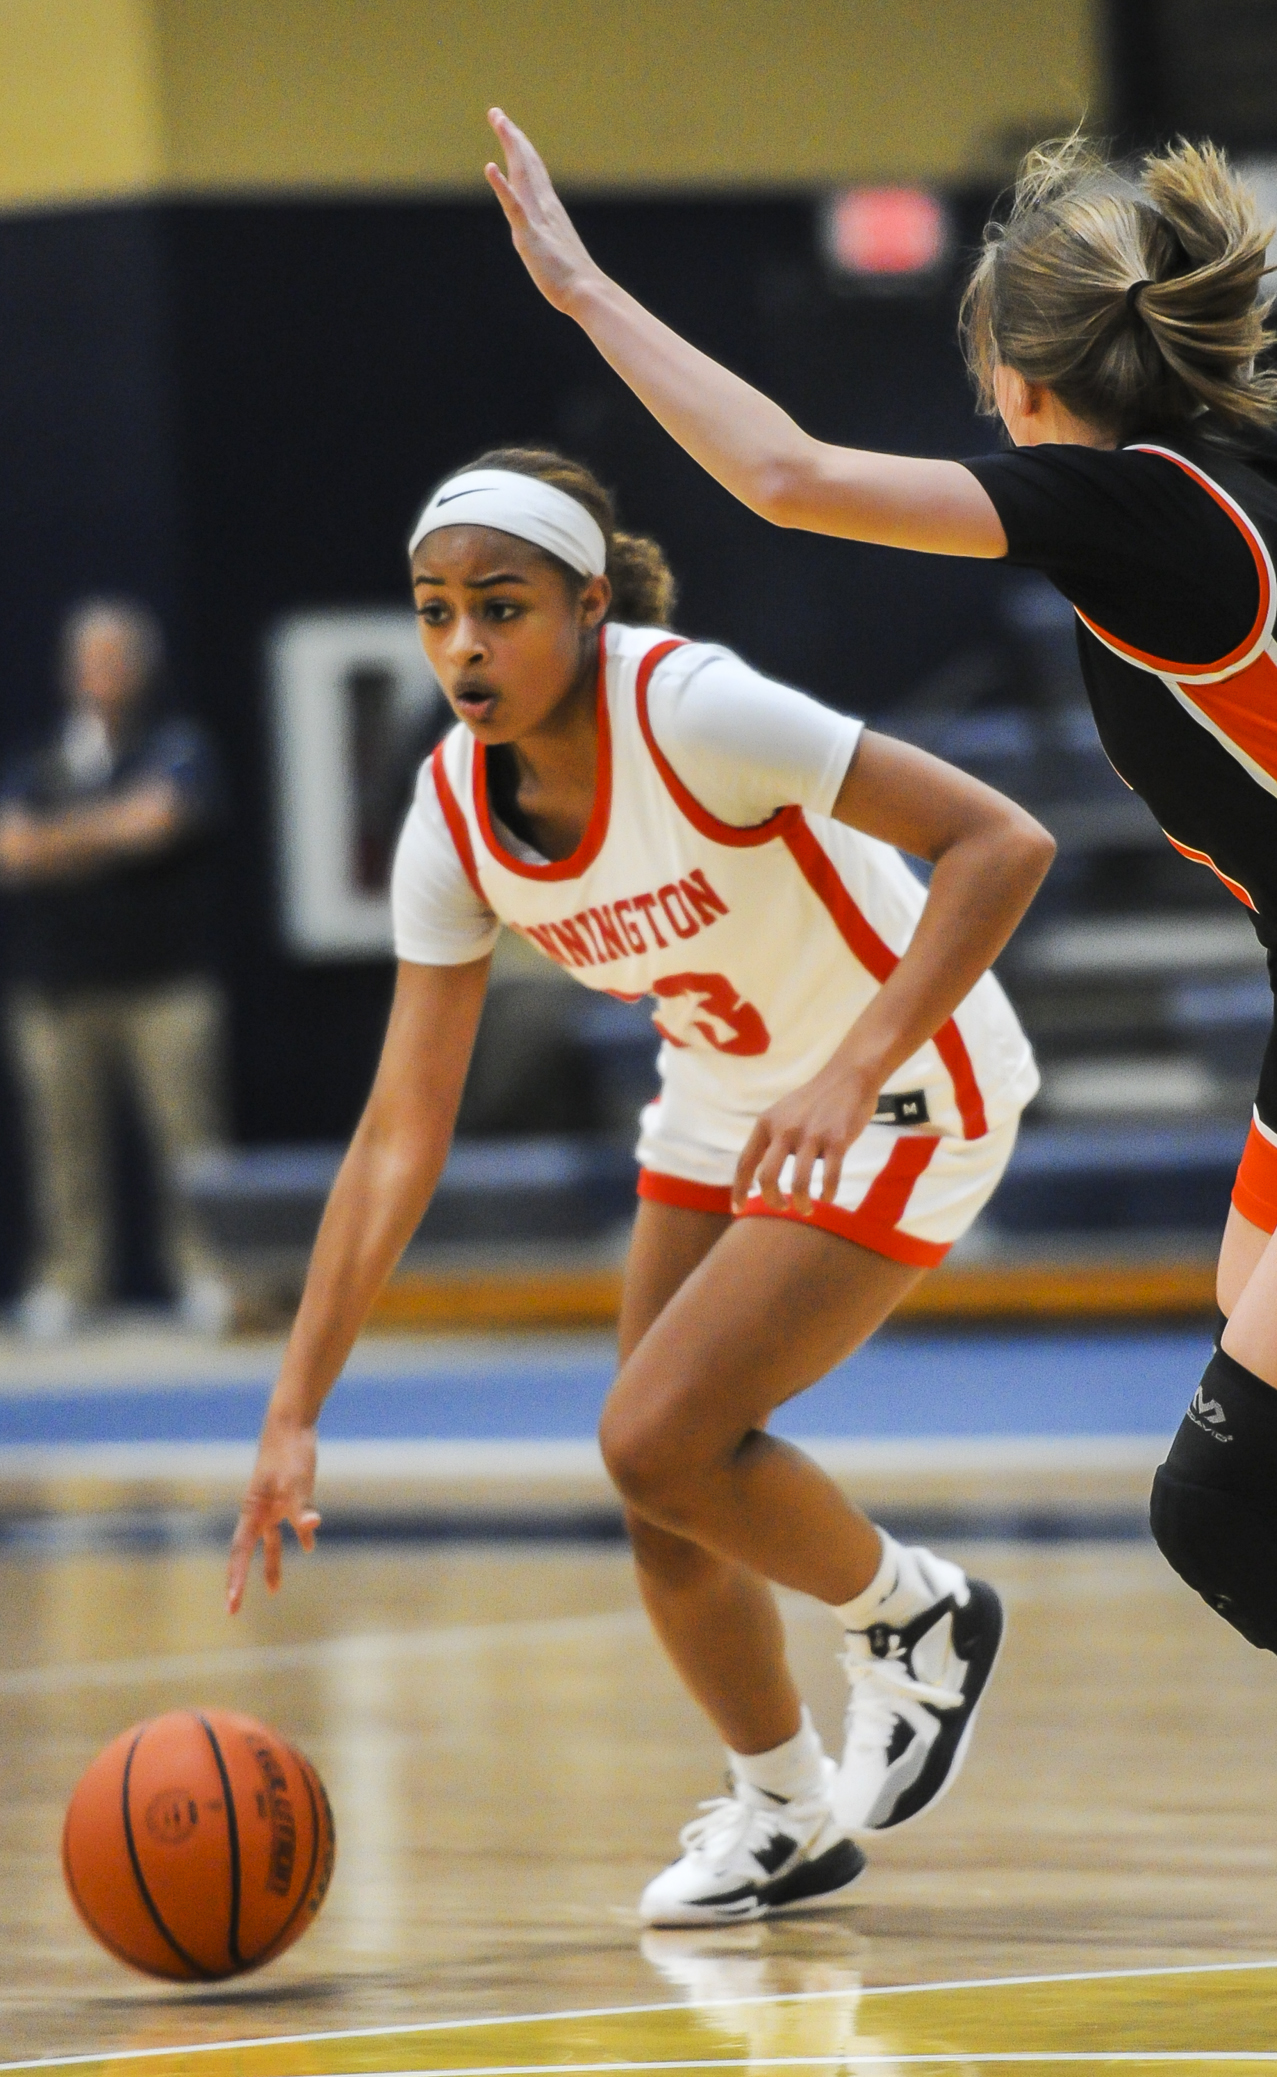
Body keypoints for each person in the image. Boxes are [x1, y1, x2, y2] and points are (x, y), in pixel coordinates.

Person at [481, 111, 1277, 1988]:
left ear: (1017, 378)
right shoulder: (1251, 473)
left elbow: (781, 474)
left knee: (1226, 1500)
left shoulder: (1133, 509)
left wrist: (583, 290)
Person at [226, 447, 1052, 1924]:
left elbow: (1001, 840)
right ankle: (786, 1812)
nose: (464, 647)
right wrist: (295, 1408)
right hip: (725, 1097)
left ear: (589, 605)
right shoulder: (452, 815)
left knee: (656, 1437)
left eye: (501, 607)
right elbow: (401, 1131)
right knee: (664, 1498)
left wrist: (855, 1065)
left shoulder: (693, 710)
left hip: (904, 1083)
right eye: (434, 613)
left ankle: (915, 1614)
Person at [0, 599, 232, 1339]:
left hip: (164, 986)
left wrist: (60, 839)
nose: (101, 674)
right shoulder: (36, 761)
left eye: (116, 659)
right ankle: (70, 1280)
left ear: (142, 669)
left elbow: (159, 821)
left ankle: (207, 1274)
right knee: (62, 1148)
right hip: (57, 990)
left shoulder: (177, 746)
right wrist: (108, 829)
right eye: (89, 660)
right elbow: (12, 849)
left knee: (189, 1141)